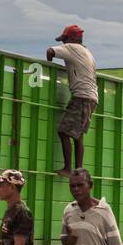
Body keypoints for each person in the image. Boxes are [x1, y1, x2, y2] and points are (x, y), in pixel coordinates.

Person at [46, 24, 97, 175]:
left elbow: (50, 51)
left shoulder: (72, 48)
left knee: (63, 131)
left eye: (65, 39)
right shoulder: (87, 52)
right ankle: (79, 170)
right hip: (91, 97)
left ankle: (68, 168)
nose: (63, 43)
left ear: (72, 39)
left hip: (81, 96)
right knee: (78, 135)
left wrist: (49, 65)